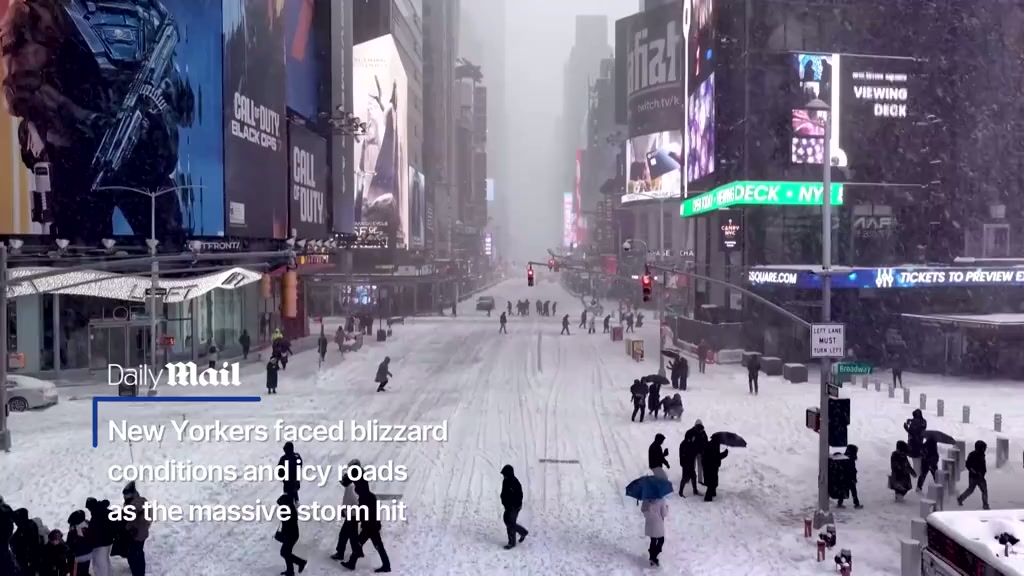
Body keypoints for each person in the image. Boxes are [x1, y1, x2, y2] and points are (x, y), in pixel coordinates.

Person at [341, 480, 391, 572]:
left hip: (370, 528)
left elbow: (364, 513)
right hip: (371, 526)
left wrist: (354, 517)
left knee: (374, 546)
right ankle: (352, 563)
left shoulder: (365, 499)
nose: (356, 490)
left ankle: (352, 563)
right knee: (374, 546)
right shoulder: (369, 496)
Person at [333, 460, 363, 562]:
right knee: (347, 534)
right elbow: (348, 499)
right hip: (352, 513)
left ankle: (354, 552)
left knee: (350, 535)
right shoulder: (353, 483)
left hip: (353, 514)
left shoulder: (354, 485)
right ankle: (345, 552)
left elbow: (354, 500)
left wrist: (348, 510)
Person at [275, 493, 307, 575]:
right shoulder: (291, 508)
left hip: (290, 535)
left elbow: (286, 525)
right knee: (286, 552)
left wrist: (283, 535)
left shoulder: (286, 511)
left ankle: (300, 563)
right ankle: (291, 570)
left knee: (284, 552)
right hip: (293, 534)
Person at [499, 465, 529, 549]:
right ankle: (523, 532)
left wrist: (514, 506)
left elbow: (519, 496)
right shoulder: (506, 481)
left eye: (505, 474)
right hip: (508, 506)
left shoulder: (515, 482)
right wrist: (504, 501)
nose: (504, 476)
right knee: (507, 520)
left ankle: (512, 542)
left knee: (510, 523)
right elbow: (504, 493)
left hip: (514, 507)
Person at [86, 497, 115, 576]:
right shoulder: (104, 511)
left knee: (100, 564)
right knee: (105, 561)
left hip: (100, 543)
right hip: (108, 540)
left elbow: (96, 530)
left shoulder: (97, 515)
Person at [957, 440, 990, 509]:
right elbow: (968, 464)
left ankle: (961, 498)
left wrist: (983, 472)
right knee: (976, 490)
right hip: (974, 476)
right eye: (983, 448)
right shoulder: (973, 455)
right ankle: (985, 505)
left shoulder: (981, 455)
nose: (984, 449)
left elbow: (983, 466)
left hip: (979, 476)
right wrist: (973, 470)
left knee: (976, 490)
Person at [678, 420, 706, 497]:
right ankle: (680, 492)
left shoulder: (701, 433)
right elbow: (682, 453)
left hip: (691, 458)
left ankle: (695, 490)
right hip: (686, 460)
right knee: (685, 477)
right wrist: (682, 462)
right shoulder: (685, 443)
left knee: (693, 476)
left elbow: (703, 442)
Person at [11, 507, 41, 574]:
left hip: (27, 561)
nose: (15, 522)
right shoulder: (29, 526)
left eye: (16, 520)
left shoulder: (26, 528)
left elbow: (15, 542)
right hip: (28, 561)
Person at [641, 498, 667, 567]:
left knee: (653, 540)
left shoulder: (646, 499)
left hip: (650, 524)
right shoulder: (661, 500)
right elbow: (664, 513)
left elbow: (643, 510)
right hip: (658, 524)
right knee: (661, 540)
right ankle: (653, 556)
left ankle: (652, 557)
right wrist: (666, 508)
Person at [67, 510, 92, 576]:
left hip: (78, 555)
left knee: (75, 572)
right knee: (84, 571)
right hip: (88, 554)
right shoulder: (88, 524)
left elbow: (70, 543)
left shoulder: (74, 529)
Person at [836, 445, 862, 509]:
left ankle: (840, 502)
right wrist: (854, 478)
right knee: (853, 491)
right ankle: (856, 504)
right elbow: (852, 470)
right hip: (849, 478)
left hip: (844, 478)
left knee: (844, 490)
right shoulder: (850, 459)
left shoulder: (845, 458)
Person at [904, 409, 928, 474]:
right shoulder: (923, 422)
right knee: (918, 463)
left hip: (914, 446)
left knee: (916, 464)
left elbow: (914, 433)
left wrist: (907, 429)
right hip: (918, 446)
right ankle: (918, 475)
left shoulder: (916, 423)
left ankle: (916, 476)